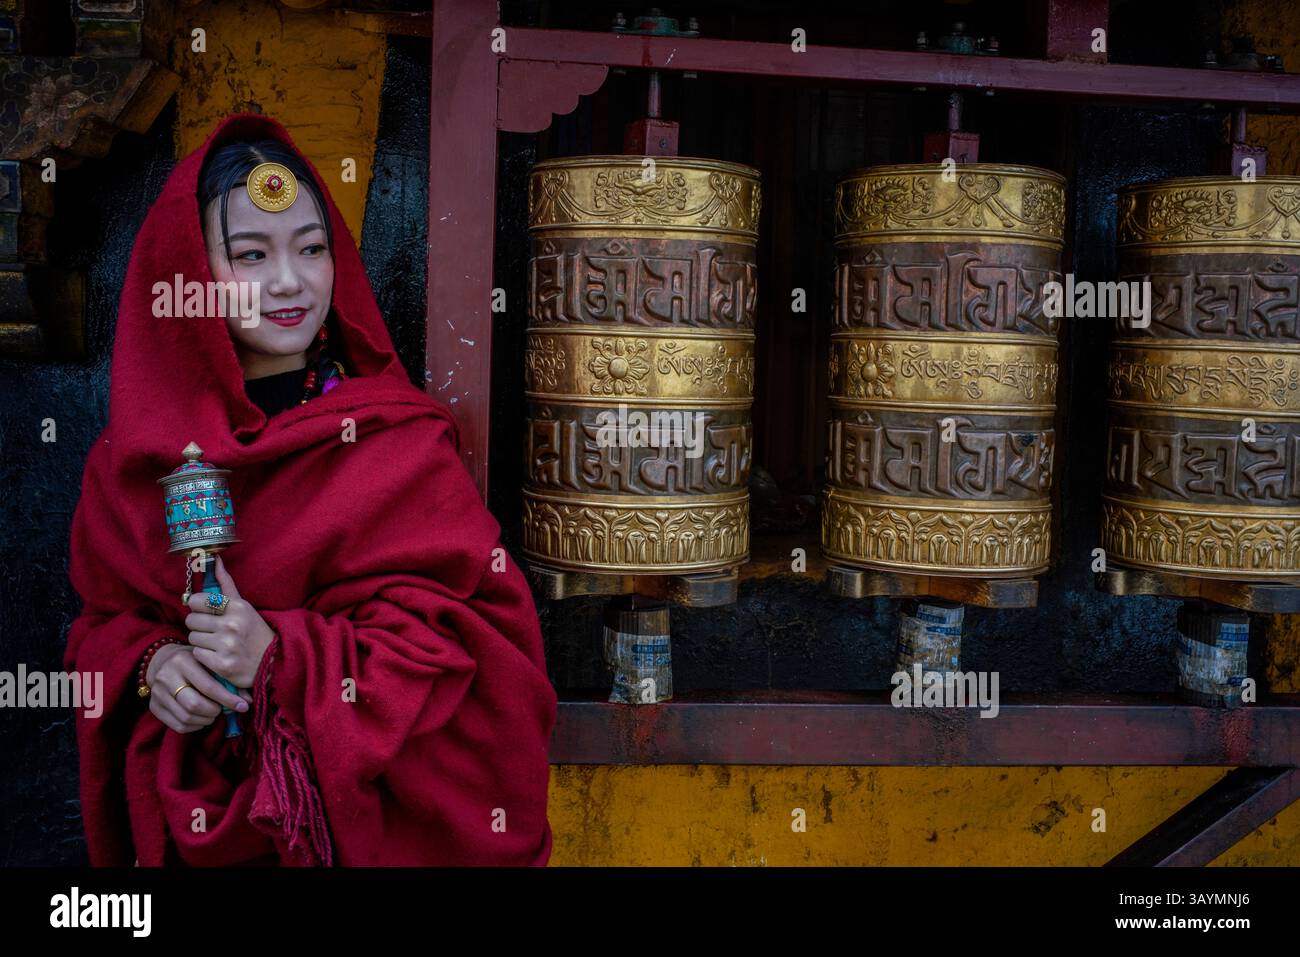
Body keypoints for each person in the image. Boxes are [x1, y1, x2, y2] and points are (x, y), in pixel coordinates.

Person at [63, 112, 557, 866]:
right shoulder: (133, 464)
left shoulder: (397, 443)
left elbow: (481, 649)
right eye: (250, 254)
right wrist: (153, 666)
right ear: (190, 275)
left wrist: (281, 657)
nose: (289, 282)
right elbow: (101, 626)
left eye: (312, 248)